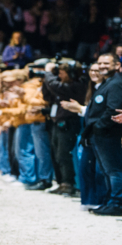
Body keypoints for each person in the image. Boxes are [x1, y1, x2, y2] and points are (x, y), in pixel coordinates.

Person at [80, 55, 122, 215]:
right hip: (101, 133)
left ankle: (117, 203)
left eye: (106, 63)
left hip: (109, 133)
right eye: (100, 63)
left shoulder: (118, 83)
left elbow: (113, 109)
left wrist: (99, 127)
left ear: (116, 65)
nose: (102, 66)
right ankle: (110, 201)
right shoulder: (109, 82)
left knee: (113, 169)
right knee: (107, 170)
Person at [43, 60, 86, 196]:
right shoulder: (61, 86)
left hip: (69, 122)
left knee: (64, 153)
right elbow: (47, 93)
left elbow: (54, 86)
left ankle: (69, 183)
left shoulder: (77, 86)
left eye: (61, 73)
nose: (59, 76)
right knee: (56, 153)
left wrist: (48, 73)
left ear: (71, 74)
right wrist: (48, 77)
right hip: (58, 121)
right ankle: (62, 182)